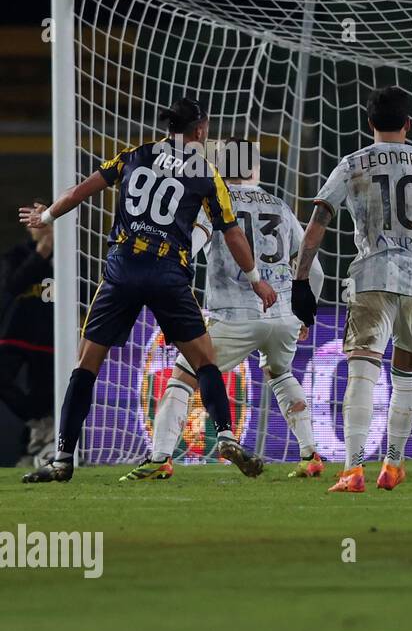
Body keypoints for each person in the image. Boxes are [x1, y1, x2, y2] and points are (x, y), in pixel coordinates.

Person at [19, 97, 275, 483]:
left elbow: (81, 192)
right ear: (200, 129)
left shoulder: (134, 155)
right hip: (168, 273)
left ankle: (62, 457)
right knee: (204, 360)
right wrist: (256, 279)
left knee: (86, 364)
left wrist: (46, 215)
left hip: (122, 270)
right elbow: (232, 233)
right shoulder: (206, 172)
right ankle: (224, 434)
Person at [292, 86, 412, 493]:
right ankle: (392, 464)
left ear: (370, 123)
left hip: (372, 277)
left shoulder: (353, 163)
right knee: (408, 380)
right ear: (408, 123)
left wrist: (301, 279)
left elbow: (319, 221)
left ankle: (353, 470)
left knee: (362, 372)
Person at [121, 153, 325, 480]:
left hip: (235, 315)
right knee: (281, 373)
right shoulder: (280, 206)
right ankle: (311, 454)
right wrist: (304, 315)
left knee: (184, 375)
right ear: (255, 169)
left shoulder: (213, 203)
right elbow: (313, 268)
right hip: (283, 314)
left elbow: (191, 245)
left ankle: (160, 456)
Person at [0, 206, 55, 462]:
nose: (39, 223)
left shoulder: (67, 256)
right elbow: (12, 285)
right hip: (18, 332)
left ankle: (35, 447)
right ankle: (36, 422)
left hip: (49, 338)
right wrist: (41, 254)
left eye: (43, 216)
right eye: (34, 219)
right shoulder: (17, 254)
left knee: (44, 395)